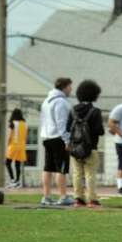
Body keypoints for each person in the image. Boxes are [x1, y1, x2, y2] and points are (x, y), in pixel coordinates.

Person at [68, 79, 106, 209]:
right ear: (94, 95)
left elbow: (68, 128)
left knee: (77, 173)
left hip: (75, 147)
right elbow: (99, 131)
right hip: (91, 148)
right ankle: (92, 199)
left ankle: (78, 199)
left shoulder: (73, 110)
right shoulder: (95, 111)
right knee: (90, 173)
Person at [38, 77, 75, 207]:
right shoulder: (61, 102)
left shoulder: (46, 101)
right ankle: (63, 196)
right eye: (70, 87)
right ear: (64, 87)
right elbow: (61, 123)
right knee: (62, 169)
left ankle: (46, 196)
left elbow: (42, 120)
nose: (71, 89)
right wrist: (67, 140)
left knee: (48, 168)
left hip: (47, 138)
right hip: (58, 138)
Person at [4, 108, 28, 189]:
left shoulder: (12, 123)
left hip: (13, 145)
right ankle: (18, 181)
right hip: (21, 146)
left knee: (7, 163)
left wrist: (7, 145)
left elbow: (10, 135)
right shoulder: (24, 124)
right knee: (18, 164)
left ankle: (12, 180)